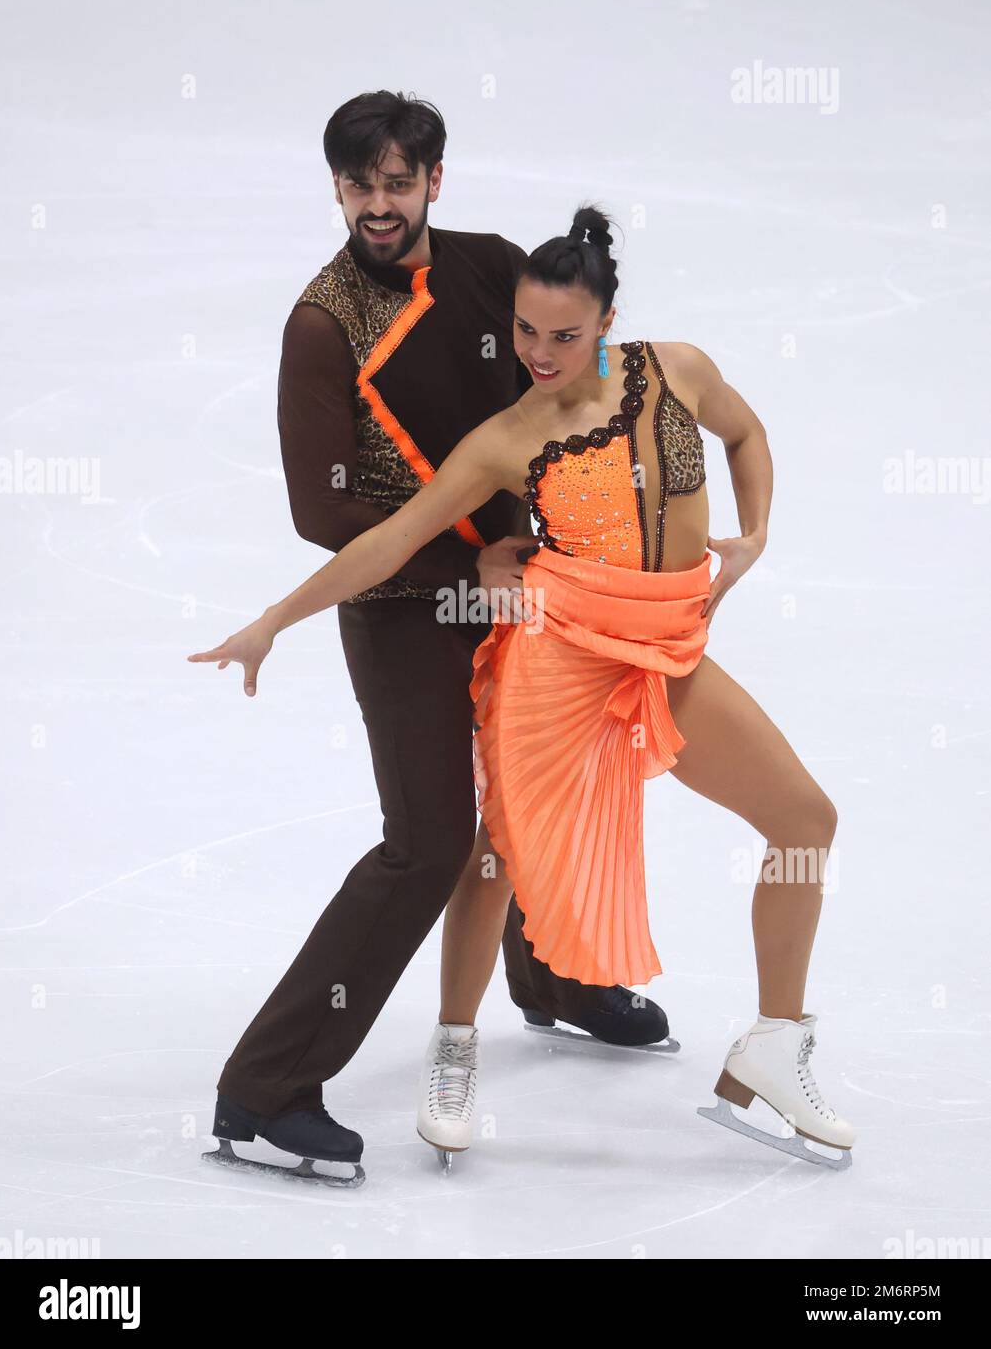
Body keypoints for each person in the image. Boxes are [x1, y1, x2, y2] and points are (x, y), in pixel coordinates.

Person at [190, 201, 857, 1173]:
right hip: (560, 657)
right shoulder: (507, 437)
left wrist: (752, 536)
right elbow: (388, 539)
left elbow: (745, 434)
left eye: (564, 334)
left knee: (804, 817)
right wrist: (271, 622)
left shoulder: (679, 371)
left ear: (608, 323)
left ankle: (773, 1046)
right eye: (527, 333)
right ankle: (454, 1045)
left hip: (663, 652)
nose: (540, 353)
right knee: (494, 850)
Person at [201, 93, 670, 1190]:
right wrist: (466, 566)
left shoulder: (491, 266)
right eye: (360, 184)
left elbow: (561, 389)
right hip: (406, 602)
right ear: (337, 189)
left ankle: (552, 977)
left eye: (398, 182)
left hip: (526, 582)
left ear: (434, 182)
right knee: (429, 843)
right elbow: (322, 513)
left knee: (544, 787)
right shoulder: (322, 326)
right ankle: (265, 1086)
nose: (379, 203)